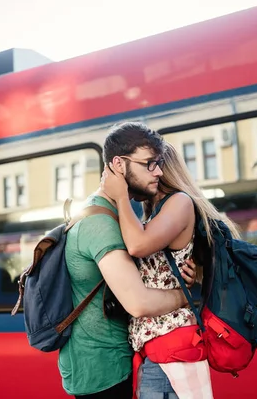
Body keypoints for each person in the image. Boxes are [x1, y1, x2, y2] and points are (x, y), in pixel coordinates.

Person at [58, 122, 197, 399]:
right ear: (118, 165)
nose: (158, 171)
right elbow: (139, 303)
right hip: (104, 371)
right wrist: (187, 295)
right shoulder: (101, 223)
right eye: (149, 164)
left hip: (109, 363)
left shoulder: (114, 215)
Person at [101, 140, 242, 398]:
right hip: (160, 352)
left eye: (150, 164)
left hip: (170, 353)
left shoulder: (179, 202)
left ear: (161, 168)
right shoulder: (157, 213)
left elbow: (137, 245)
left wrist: (121, 194)